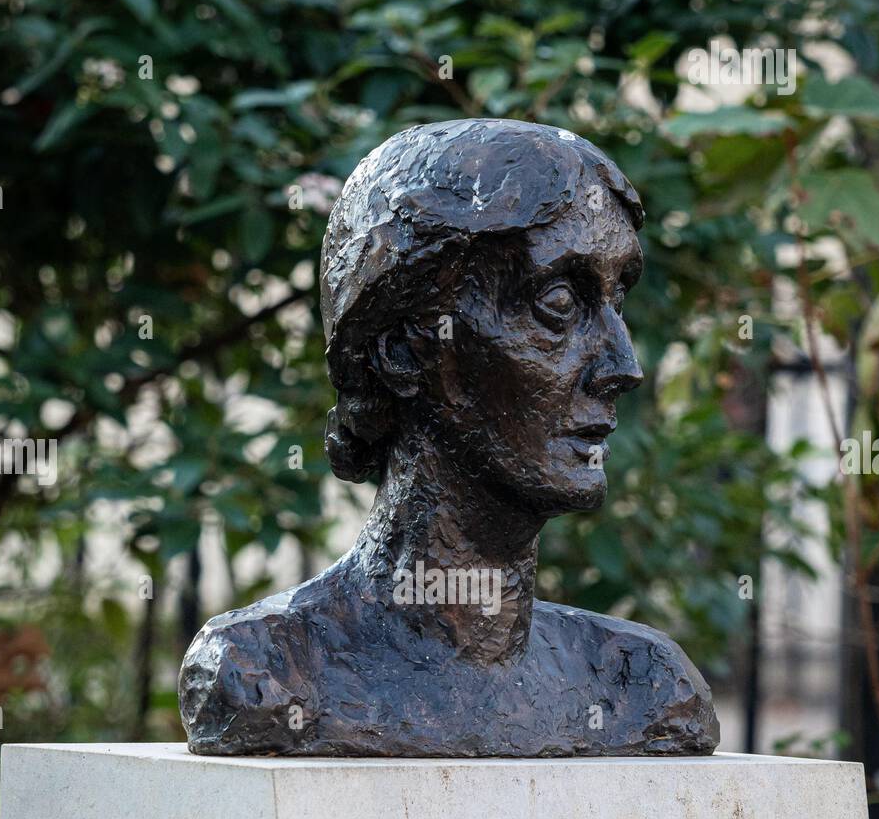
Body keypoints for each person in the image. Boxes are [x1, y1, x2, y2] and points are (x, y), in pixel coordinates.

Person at [180, 119, 719, 757]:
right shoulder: (270, 675)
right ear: (402, 349)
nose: (623, 367)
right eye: (557, 304)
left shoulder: (641, 686)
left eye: (616, 302)